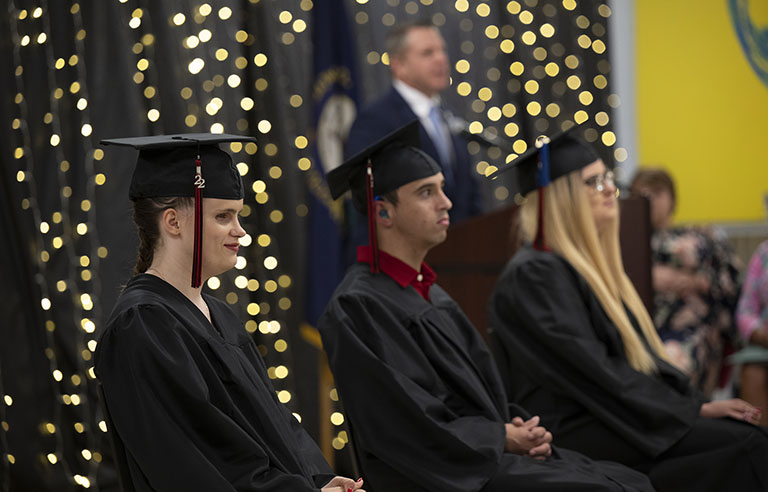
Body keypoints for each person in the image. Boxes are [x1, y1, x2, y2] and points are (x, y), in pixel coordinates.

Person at [319, 122, 654, 491]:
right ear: (383, 213)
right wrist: (501, 437)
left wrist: (514, 426)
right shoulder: (360, 305)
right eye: (426, 192)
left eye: (443, 189)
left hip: (480, 458)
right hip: (439, 477)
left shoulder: (428, 293)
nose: (446, 203)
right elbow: (407, 425)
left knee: (628, 479)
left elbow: (478, 396)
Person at [488, 130, 768, 492]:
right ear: (560, 199)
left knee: (743, 434)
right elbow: (595, 371)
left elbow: (640, 358)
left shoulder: (584, 268)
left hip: (612, 413)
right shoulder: (535, 275)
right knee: (745, 446)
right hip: (575, 427)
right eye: (593, 182)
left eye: (607, 178)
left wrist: (694, 403)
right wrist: (689, 412)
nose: (609, 190)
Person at [95, 134, 365, 492]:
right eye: (224, 216)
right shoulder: (143, 324)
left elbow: (274, 420)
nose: (240, 231)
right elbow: (193, 462)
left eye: (238, 215)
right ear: (173, 222)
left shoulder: (219, 314)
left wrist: (319, 480)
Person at [346, 18, 482, 224]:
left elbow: (468, 190)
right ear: (398, 65)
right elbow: (369, 199)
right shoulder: (375, 119)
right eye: (428, 53)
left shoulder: (450, 116)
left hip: (463, 247)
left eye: (442, 50)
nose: (441, 59)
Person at [630, 168, 742, 396]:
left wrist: (696, 282)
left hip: (689, 329)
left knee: (672, 365)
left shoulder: (702, 236)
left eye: (657, 192)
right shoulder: (624, 241)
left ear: (672, 198)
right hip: (639, 328)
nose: (650, 199)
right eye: (642, 193)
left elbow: (732, 281)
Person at [734, 240, 768, 426]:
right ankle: (760, 445)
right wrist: (759, 334)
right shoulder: (764, 253)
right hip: (764, 344)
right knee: (752, 374)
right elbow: (746, 310)